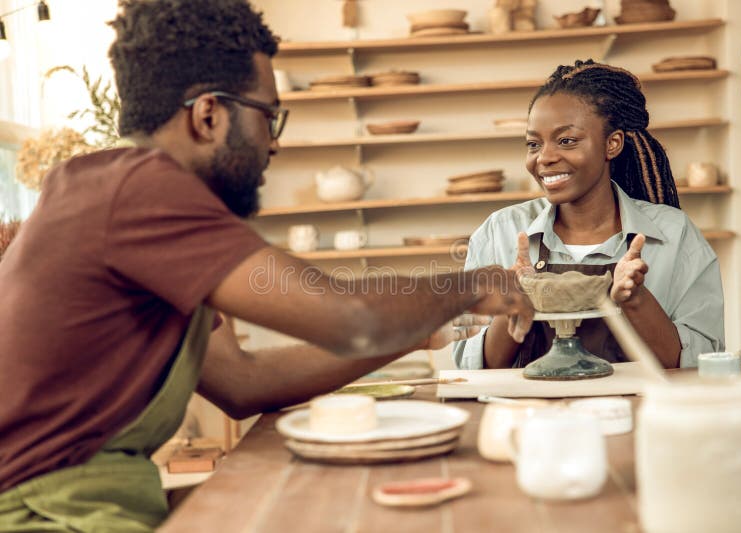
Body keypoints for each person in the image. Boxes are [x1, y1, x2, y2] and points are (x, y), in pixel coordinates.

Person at [0, 1, 535, 530]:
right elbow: (350, 317)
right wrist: (472, 283)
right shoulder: (140, 191)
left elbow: (243, 382)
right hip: (46, 516)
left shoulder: (114, 191)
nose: (274, 142)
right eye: (268, 116)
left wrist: (418, 331)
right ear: (209, 114)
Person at [454, 59, 724, 371]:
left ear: (612, 143)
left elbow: (699, 365)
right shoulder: (500, 232)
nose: (545, 158)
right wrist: (514, 301)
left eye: (566, 140)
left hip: (638, 416)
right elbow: (474, 370)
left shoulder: (674, 235)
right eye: (533, 144)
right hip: (531, 418)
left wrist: (637, 301)